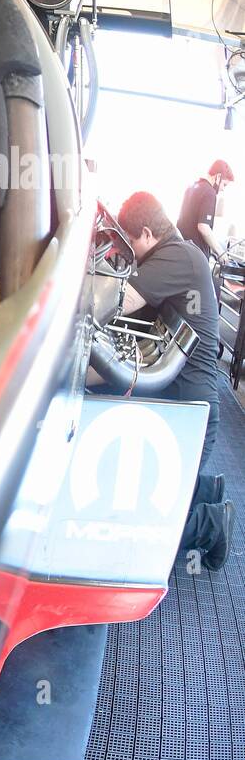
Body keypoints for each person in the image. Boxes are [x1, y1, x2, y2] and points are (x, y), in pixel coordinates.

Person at [115, 191, 233, 569]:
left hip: (193, 416)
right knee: (148, 482)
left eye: (129, 241)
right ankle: (205, 489)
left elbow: (120, 302)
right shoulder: (176, 254)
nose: (130, 251)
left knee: (143, 517)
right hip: (185, 407)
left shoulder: (177, 257)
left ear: (146, 233)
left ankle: (211, 525)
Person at [177, 159, 233, 260]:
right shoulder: (209, 192)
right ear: (218, 176)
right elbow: (203, 227)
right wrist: (220, 252)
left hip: (182, 250)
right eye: (224, 184)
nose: (223, 189)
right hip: (195, 258)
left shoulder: (192, 187)